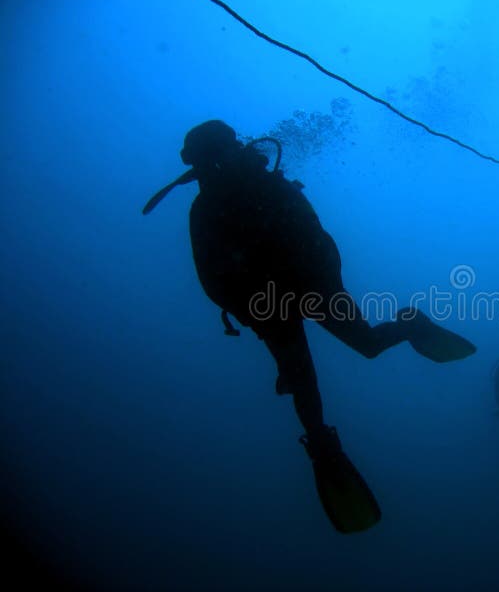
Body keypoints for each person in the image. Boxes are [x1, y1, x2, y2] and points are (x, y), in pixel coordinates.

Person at [144, 120, 476, 533]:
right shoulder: (211, 206)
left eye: (214, 155)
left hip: (305, 287)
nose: (213, 165)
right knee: (303, 384)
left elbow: (313, 238)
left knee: (367, 347)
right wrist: (254, 314)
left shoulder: (263, 188)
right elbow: (211, 277)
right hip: (268, 306)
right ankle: (322, 446)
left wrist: (323, 287)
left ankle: (410, 325)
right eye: (207, 159)